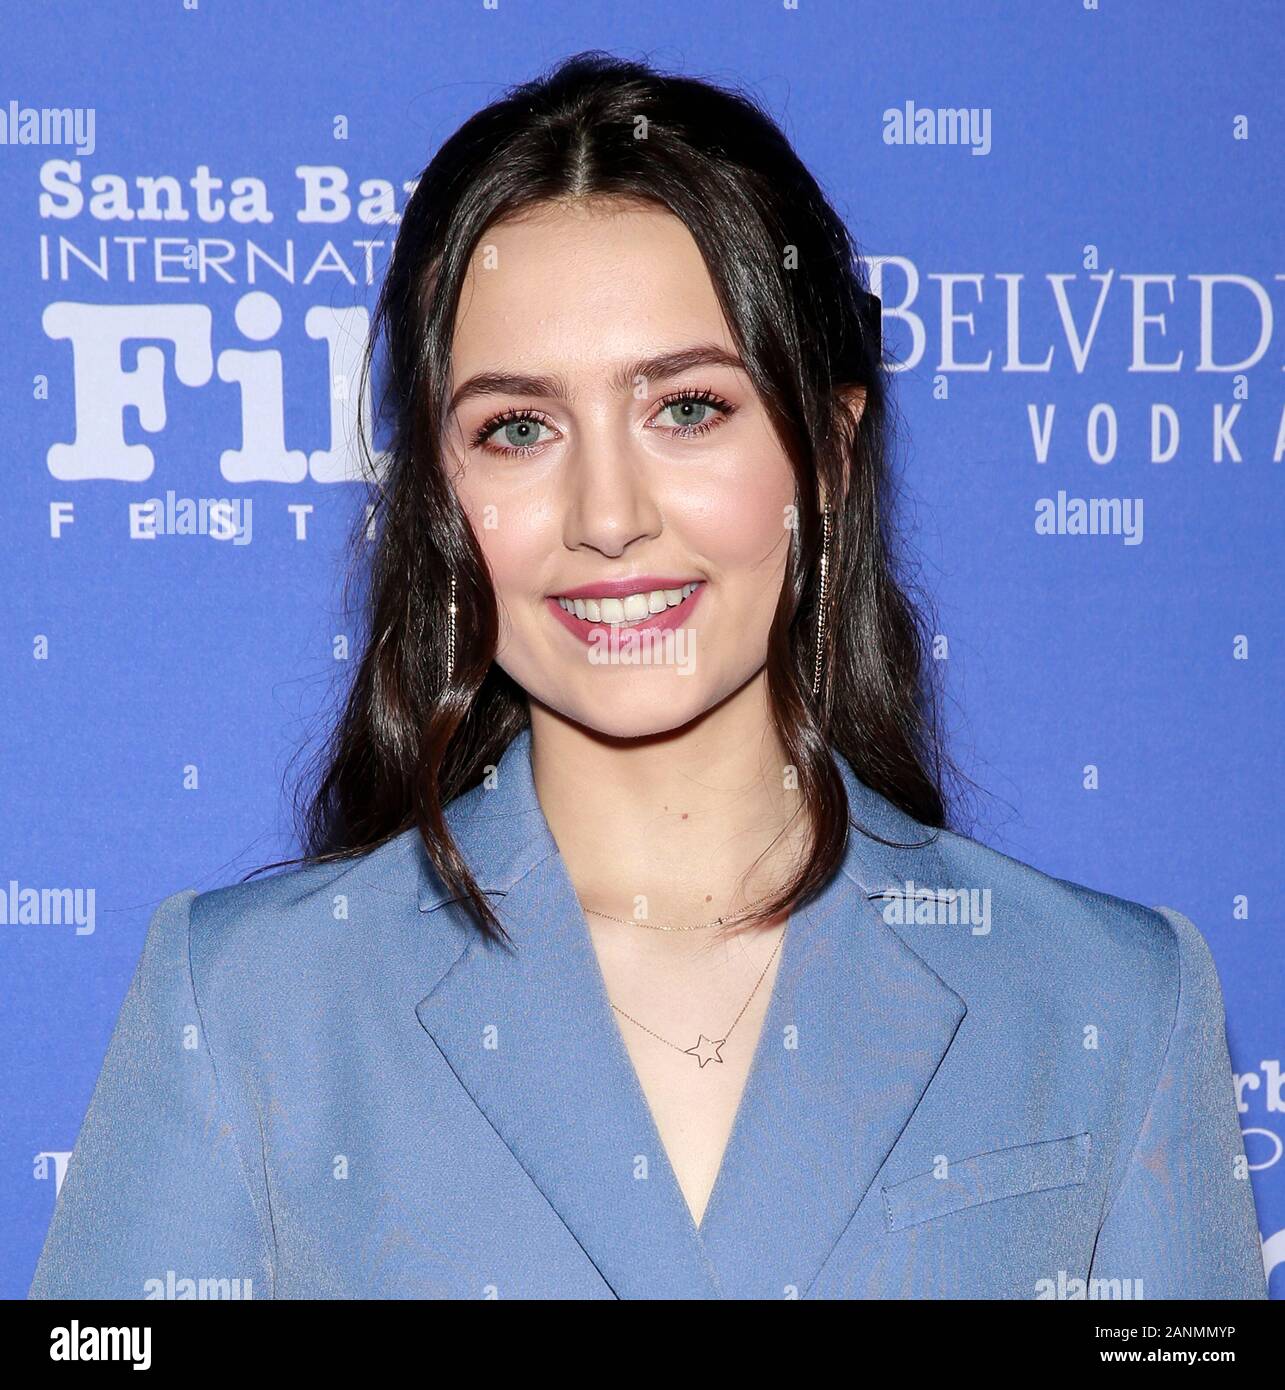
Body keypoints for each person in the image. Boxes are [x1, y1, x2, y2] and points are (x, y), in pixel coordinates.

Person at [30, 52, 1266, 1301]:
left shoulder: (1109, 1000)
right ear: (442, 497)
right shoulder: (249, 1003)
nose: (607, 516)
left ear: (827, 455)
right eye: (517, 426)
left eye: (685, 408)